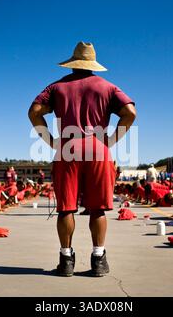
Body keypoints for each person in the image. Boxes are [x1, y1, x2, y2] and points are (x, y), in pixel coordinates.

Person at [28, 42, 136, 277]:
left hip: (67, 149)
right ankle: (98, 259)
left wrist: (50, 140)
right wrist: (112, 140)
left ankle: (66, 260)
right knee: (97, 209)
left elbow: (34, 111)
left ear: (73, 63)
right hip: (98, 149)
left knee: (66, 209)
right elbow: (130, 112)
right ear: (93, 65)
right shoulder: (107, 87)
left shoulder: (56, 87)